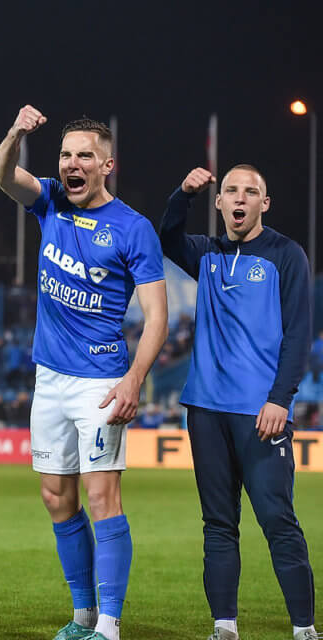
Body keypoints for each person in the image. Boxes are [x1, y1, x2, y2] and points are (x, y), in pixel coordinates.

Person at [0, 105, 168, 640]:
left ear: (106, 165)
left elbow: (157, 316)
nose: (72, 163)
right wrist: (17, 132)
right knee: (55, 497)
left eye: (83, 155)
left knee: (101, 497)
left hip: (100, 383)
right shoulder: (48, 200)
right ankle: (83, 615)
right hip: (49, 378)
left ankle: (109, 625)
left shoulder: (134, 229)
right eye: (66, 154)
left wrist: (134, 379)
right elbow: (1, 175)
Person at [160, 166, 316, 640]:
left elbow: (298, 335)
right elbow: (167, 238)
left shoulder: (286, 255)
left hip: (261, 414)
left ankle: (305, 630)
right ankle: (224, 627)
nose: (240, 198)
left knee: (277, 520)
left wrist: (279, 399)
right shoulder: (205, 253)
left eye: (251, 192)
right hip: (205, 410)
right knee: (218, 523)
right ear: (220, 203)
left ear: (264, 204)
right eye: (231, 191)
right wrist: (181, 194)